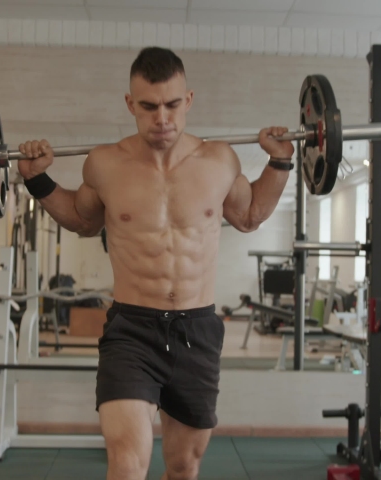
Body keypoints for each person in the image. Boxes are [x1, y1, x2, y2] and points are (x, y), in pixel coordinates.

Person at [17, 46, 294, 480]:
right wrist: (38, 180)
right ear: (130, 104)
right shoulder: (105, 163)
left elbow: (250, 215)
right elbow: (81, 219)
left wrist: (279, 162)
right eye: (148, 106)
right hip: (132, 330)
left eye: (171, 104)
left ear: (189, 100)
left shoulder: (219, 160)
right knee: (127, 465)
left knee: (183, 467)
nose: (161, 118)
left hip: (197, 330)